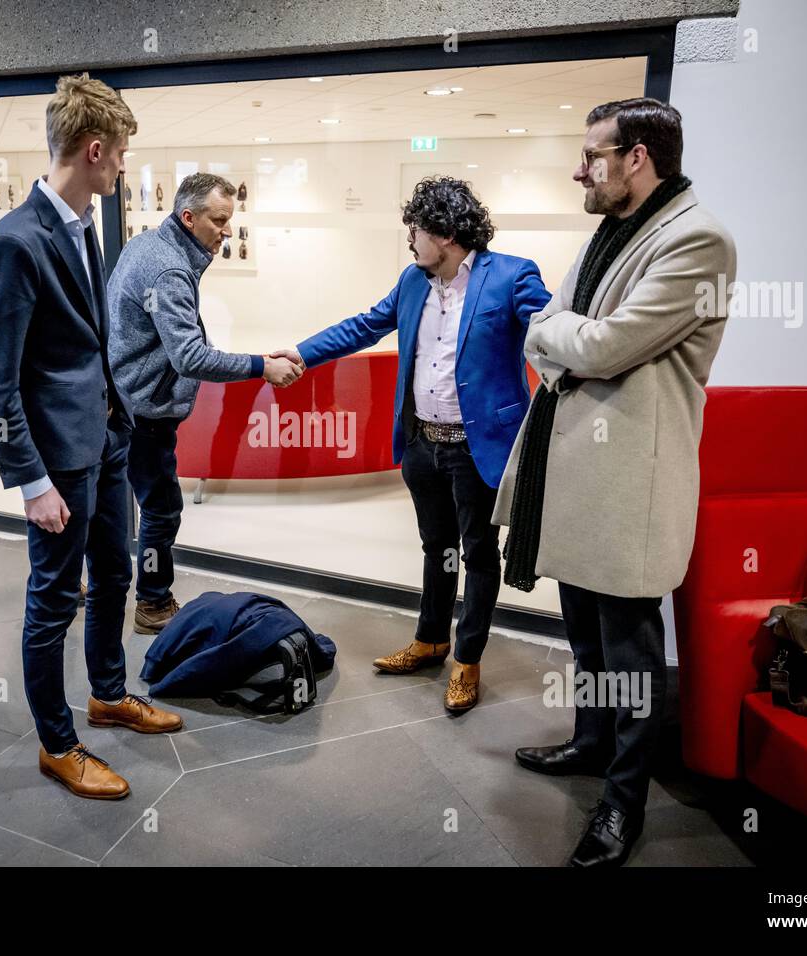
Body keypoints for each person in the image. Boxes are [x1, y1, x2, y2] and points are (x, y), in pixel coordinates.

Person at [493, 97, 737, 866]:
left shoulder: (698, 240)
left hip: (629, 481)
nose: (579, 168)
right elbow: (566, 325)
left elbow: (599, 344)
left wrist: (559, 335)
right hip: (574, 472)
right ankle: (591, 745)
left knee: (630, 655)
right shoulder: (614, 228)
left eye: (592, 154)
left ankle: (622, 805)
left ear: (638, 157)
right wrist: (566, 335)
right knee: (586, 638)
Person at [0, 72, 183, 802]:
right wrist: (30, 481)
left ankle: (108, 693)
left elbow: (86, 343)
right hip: (57, 464)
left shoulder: (85, 225)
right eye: (121, 153)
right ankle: (58, 744)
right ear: (95, 150)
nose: (125, 166)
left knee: (117, 579)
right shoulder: (15, 242)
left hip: (106, 441)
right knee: (52, 602)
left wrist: (119, 420)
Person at [275, 176, 550, 713]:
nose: (410, 238)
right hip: (423, 443)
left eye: (416, 229)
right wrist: (303, 353)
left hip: (479, 447)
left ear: (445, 233)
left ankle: (467, 659)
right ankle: (431, 640)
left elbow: (551, 331)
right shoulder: (412, 280)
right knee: (436, 547)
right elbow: (365, 325)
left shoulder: (513, 275)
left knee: (478, 553)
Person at [107, 172, 302, 634]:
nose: (227, 231)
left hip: (122, 400)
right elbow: (190, 356)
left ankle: (91, 581)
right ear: (188, 217)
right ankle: (152, 602)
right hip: (145, 412)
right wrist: (262, 366)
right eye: (218, 220)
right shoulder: (170, 269)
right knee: (160, 508)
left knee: (118, 502)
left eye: (229, 220)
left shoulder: (145, 245)